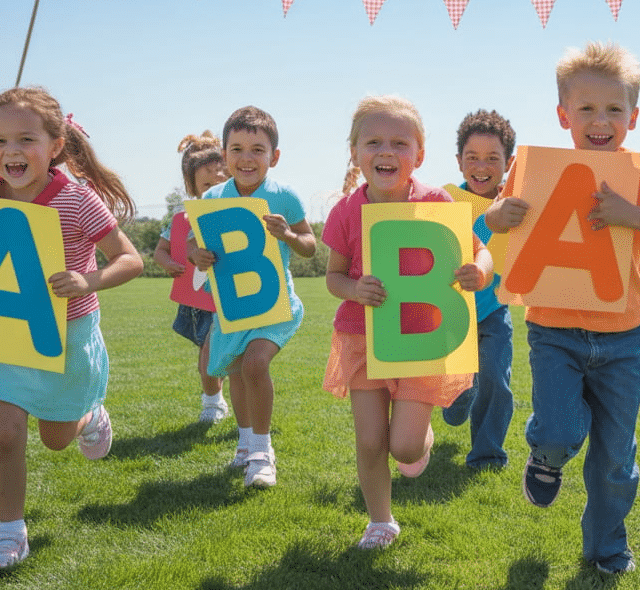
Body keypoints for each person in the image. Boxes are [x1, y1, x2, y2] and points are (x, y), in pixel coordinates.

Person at [485, 42, 640, 575]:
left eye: (614, 109)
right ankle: (547, 452)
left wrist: (632, 213)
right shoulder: (533, 166)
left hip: (622, 340)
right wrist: (499, 214)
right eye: (586, 109)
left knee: (615, 457)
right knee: (561, 430)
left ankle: (607, 547)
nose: (600, 120)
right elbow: (496, 220)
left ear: (633, 116)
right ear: (563, 115)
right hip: (553, 331)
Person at [0, 87, 144, 569]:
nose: (12, 151)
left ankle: (89, 415)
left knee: (55, 437)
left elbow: (130, 260)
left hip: (68, 334)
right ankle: (10, 534)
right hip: (4, 333)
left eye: (26, 138)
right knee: (4, 433)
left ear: (56, 144)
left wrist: (88, 278)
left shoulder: (77, 200)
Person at [321, 96, 492, 550]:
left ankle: (420, 437)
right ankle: (380, 521)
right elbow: (333, 277)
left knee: (405, 448)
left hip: (423, 340)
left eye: (400, 142)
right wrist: (354, 289)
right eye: (373, 141)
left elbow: (481, 251)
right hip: (363, 336)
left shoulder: (436, 201)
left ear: (419, 154)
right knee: (370, 439)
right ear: (355, 153)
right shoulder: (344, 212)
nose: (386, 151)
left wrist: (482, 272)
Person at [188, 106, 316, 488]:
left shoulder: (285, 197)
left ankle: (263, 452)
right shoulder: (212, 198)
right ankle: (244, 444)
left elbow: (310, 245)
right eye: (237, 149)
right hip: (232, 305)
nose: (247, 158)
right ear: (223, 155)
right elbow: (194, 241)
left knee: (256, 366)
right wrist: (197, 253)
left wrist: (290, 237)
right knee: (237, 371)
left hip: (274, 303)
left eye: (258, 150)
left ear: (273, 157)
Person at [440, 109, 518, 470]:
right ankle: (458, 396)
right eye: (472, 157)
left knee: (496, 380)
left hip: (494, 311)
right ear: (459, 162)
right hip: (452, 311)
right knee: (456, 404)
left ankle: (487, 455)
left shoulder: (517, 205)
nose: (481, 166)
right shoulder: (445, 199)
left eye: (492, 158)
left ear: (509, 163)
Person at [154, 131, 230, 423]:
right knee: (209, 354)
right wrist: (172, 261)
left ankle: (225, 402)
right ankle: (213, 402)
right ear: (194, 188)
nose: (214, 190)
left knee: (233, 358)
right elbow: (161, 250)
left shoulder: (242, 215)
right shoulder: (185, 219)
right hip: (203, 300)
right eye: (207, 185)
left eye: (221, 183)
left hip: (234, 296)